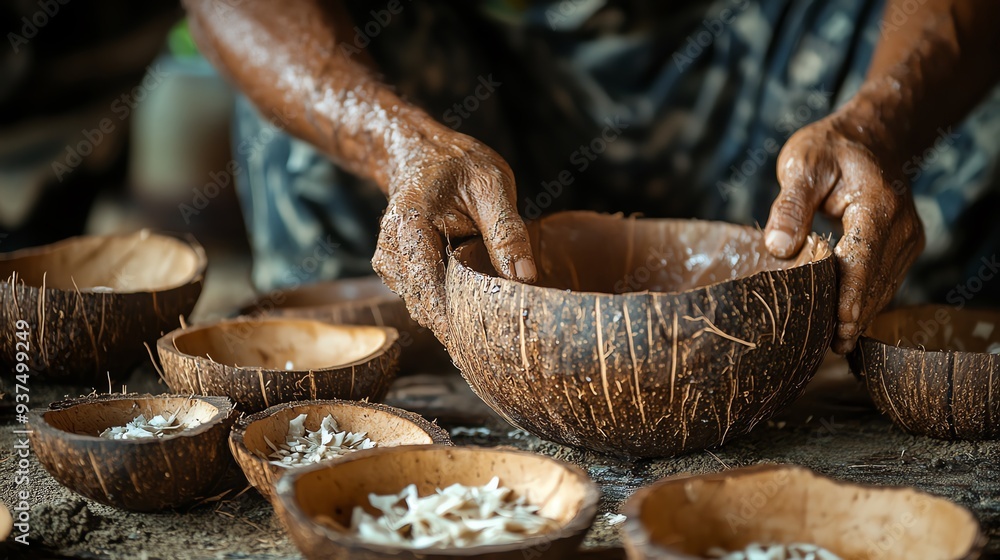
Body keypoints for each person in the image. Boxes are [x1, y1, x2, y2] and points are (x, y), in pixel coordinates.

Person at [183, 0, 1000, 354]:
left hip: (786, 83)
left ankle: (894, 363)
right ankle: (392, 396)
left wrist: (879, 129)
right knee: (315, 99)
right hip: (478, 110)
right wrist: (393, 141)